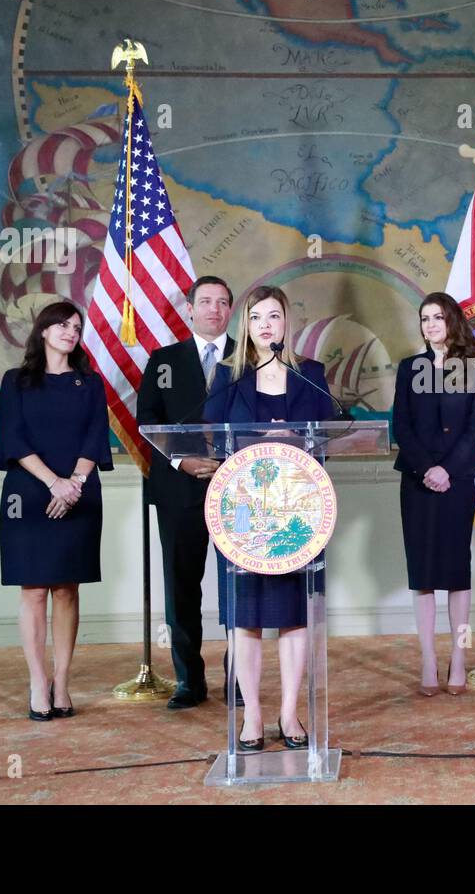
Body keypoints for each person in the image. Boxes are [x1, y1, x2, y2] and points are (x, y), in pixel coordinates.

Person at [204, 285, 335, 751]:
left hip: (297, 512)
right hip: (242, 512)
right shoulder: (228, 376)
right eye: (256, 316)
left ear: (286, 323)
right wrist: (256, 437)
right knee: (248, 615)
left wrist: (297, 438)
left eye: (274, 316)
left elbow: (332, 433)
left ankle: (289, 713)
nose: (265, 324)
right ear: (246, 325)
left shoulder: (313, 375)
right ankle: (253, 717)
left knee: (292, 614)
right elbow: (212, 438)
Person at [0, 301, 113, 720]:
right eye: (61, 324)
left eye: (76, 327)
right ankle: (37, 682)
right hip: (28, 493)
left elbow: (96, 437)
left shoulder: (90, 383)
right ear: (43, 330)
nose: (70, 331)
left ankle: (62, 682)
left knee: (66, 589)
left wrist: (74, 484)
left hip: (80, 492)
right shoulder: (15, 381)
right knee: (34, 589)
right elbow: (13, 437)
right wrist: (54, 484)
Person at [135, 275, 235, 710]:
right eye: (206, 301)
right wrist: (183, 461)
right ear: (190, 309)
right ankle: (189, 681)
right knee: (181, 586)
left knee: (239, 587)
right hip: (179, 489)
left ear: (231, 311)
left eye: (223, 302)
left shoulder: (249, 358)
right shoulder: (164, 360)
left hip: (239, 489)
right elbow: (148, 421)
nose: (215, 309)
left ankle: (240, 679)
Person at [392, 293, 475, 697]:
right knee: (424, 574)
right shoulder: (409, 367)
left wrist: (446, 470)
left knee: (456, 571)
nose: (430, 324)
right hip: (417, 480)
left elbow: (474, 428)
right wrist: (427, 469)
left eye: (438, 317)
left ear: (452, 321)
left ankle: (459, 659)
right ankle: (428, 659)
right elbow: (402, 425)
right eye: (424, 318)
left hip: (458, 480)